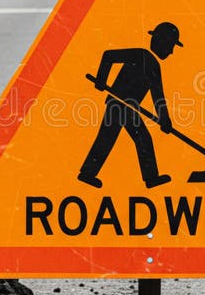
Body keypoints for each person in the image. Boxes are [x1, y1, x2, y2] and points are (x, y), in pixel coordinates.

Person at [78, 22, 183, 189]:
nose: (171, 52)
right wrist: (101, 80)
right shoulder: (140, 55)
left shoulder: (153, 66)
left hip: (128, 108)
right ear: (161, 42)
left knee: (126, 139)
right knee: (114, 138)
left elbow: (158, 97)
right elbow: (108, 56)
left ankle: (88, 173)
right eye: (170, 46)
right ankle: (88, 174)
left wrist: (165, 121)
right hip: (118, 104)